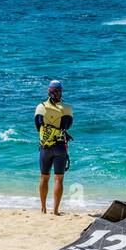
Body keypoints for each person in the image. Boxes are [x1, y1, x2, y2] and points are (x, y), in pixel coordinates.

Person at [35, 80, 73, 214]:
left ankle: (43, 208)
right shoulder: (67, 108)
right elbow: (67, 126)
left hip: (45, 147)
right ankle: (55, 210)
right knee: (58, 178)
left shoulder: (40, 107)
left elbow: (38, 126)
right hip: (60, 147)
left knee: (44, 177)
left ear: (48, 91)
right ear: (59, 92)